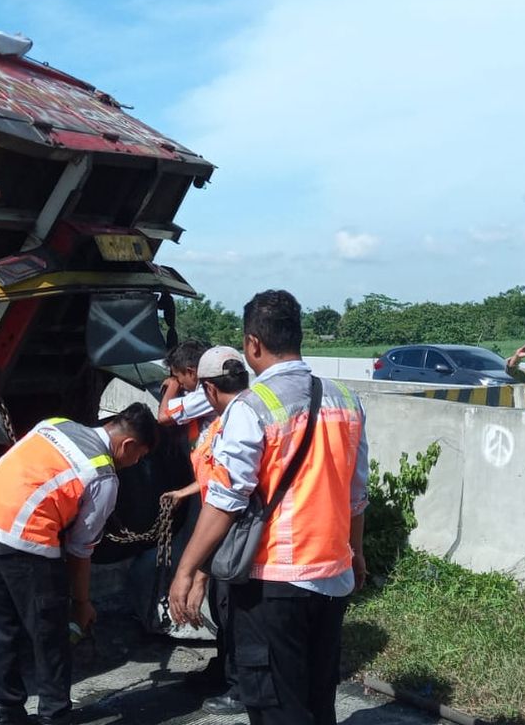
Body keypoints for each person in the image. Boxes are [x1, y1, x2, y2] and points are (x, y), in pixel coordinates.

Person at [168, 290, 369, 725]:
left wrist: (187, 569)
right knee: (318, 702)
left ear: (252, 343)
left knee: (276, 706)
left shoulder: (251, 406)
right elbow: (356, 493)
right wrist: (356, 552)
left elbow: (225, 499)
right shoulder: (346, 399)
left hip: (273, 584)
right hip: (333, 577)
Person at [0, 403, 158, 725]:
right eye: (139, 456)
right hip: (24, 538)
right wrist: (81, 603)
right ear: (128, 445)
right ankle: (55, 715)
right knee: (49, 633)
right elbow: (80, 550)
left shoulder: (55, 424)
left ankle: (6, 714)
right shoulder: (102, 476)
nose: (135, 463)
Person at [160, 345, 250, 715]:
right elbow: (215, 474)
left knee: (231, 605)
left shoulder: (237, 424)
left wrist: (194, 572)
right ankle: (225, 668)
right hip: (222, 517)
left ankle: (240, 684)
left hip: (232, 526)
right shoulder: (224, 422)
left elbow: (227, 495)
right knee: (222, 602)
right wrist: (186, 491)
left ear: (208, 388)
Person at [158, 338, 215, 446]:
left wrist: (173, 386)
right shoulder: (209, 386)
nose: (179, 382)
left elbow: (163, 417)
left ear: (191, 372)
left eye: (177, 377)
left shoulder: (207, 393)